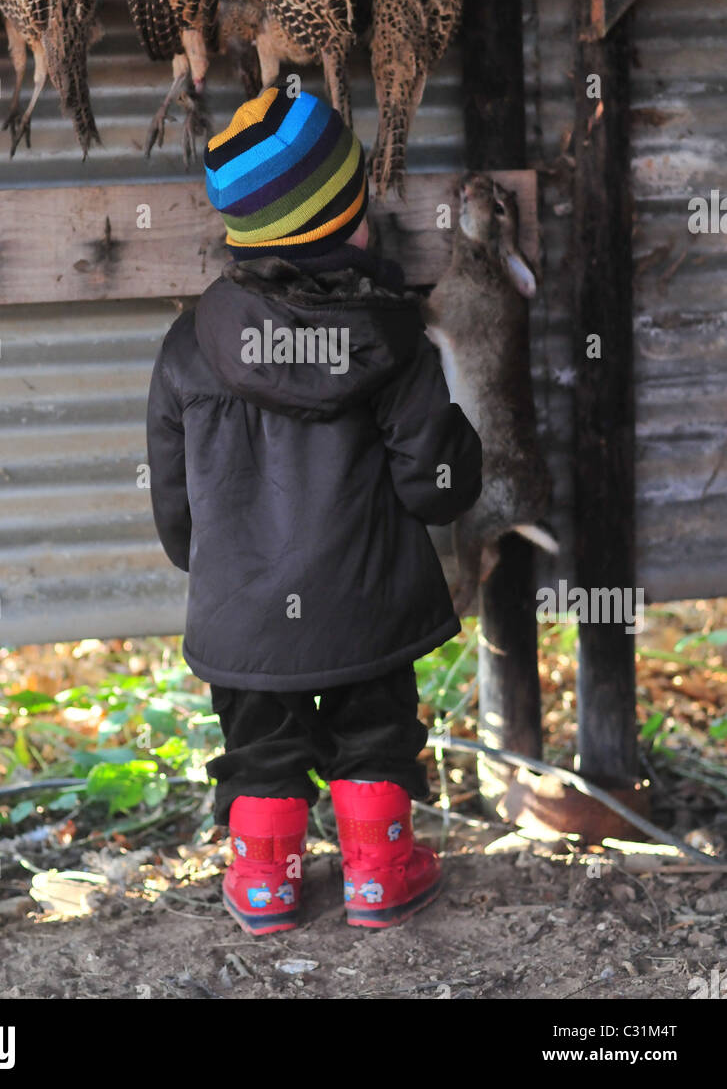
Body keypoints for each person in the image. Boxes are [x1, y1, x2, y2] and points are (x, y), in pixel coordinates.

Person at [147, 87, 482, 934]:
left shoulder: (189, 344)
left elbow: (173, 501)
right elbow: (430, 488)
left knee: (260, 751)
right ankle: (379, 875)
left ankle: (265, 885)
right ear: (352, 221)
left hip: (245, 620)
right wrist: (462, 446)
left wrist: (217, 570)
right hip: (369, 608)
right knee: (376, 734)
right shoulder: (394, 338)